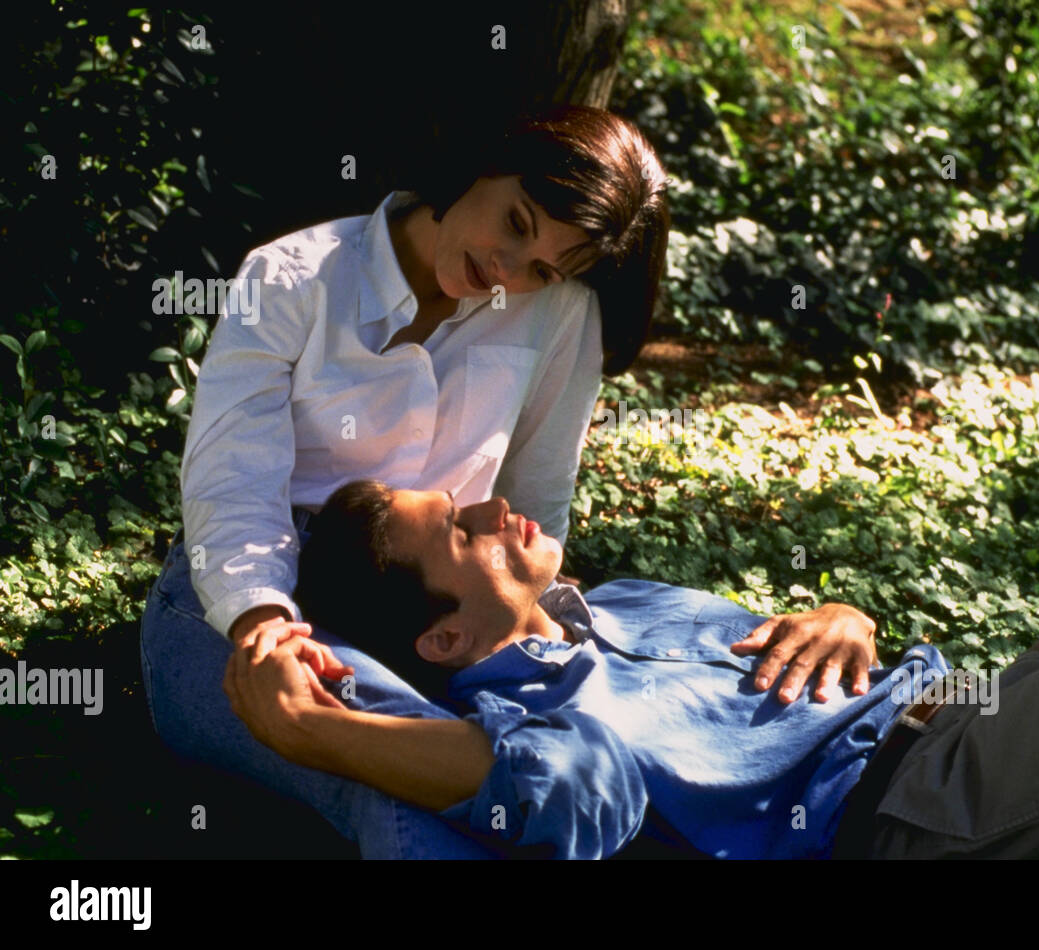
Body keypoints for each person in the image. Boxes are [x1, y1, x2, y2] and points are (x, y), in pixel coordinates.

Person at [223, 378, 1039, 859]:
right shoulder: (528, 710)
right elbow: (559, 799)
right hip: (934, 808)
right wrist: (312, 728)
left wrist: (845, 612)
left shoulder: (621, 602)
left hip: (994, 701)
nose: (494, 505)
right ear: (444, 638)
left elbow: (806, 647)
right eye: (461, 532)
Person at [139, 105, 670, 855]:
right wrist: (266, 630)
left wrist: (517, 633)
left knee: (521, 759)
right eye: (516, 223)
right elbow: (234, 485)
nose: (511, 273)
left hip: (436, 615)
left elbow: (537, 499)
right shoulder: (295, 277)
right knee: (382, 764)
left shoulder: (559, 313)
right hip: (258, 594)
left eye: (546, 267)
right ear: (486, 162)